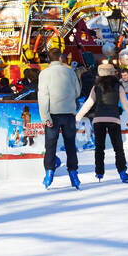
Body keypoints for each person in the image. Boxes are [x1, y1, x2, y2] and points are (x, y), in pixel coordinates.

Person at [76, 69, 128, 183]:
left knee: (99, 148)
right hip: (113, 120)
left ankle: (99, 172)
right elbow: (126, 105)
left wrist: (77, 117)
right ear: (113, 73)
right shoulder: (119, 86)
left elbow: (88, 103)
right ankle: (122, 172)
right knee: (118, 148)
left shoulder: (96, 86)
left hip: (98, 120)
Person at [37, 46, 82, 189]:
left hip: (53, 114)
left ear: (48, 59)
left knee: (50, 145)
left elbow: (43, 97)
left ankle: (49, 173)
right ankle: (73, 173)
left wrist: (46, 117)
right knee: (70, 145)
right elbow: (77, 91)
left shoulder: (44, 74)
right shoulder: (69, 71)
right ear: (61, 58)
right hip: (68, 114)